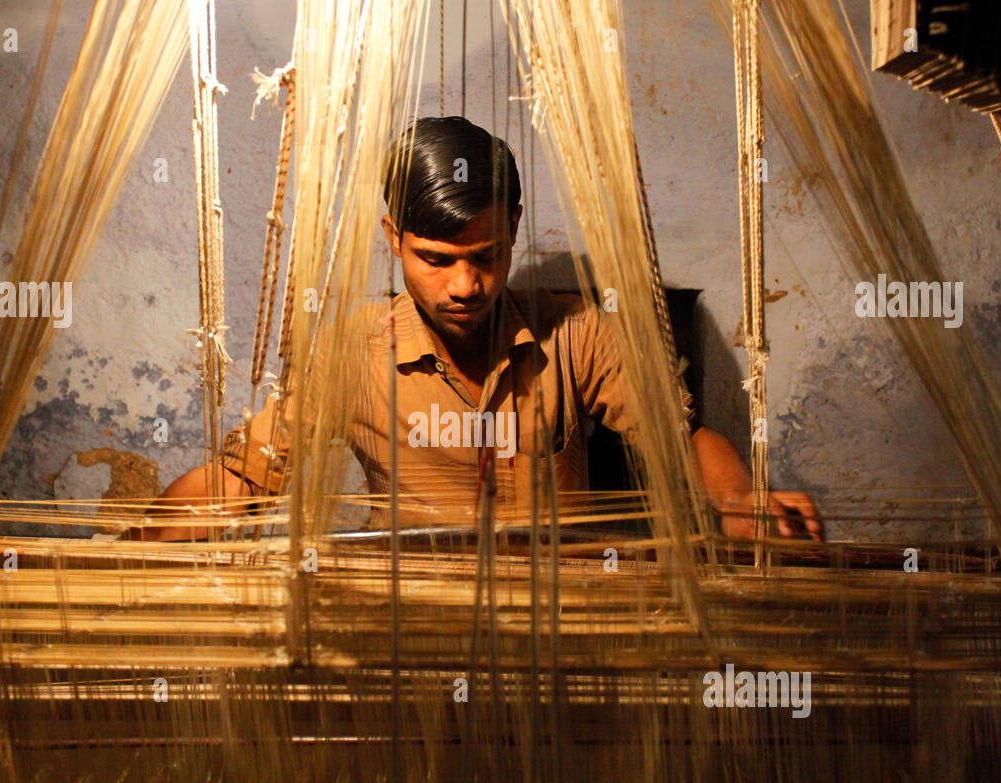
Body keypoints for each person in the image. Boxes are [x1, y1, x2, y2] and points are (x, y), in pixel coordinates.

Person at [142, 116, 822, 542]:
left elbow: (680, 439)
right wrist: (146, 542)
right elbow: (248, 474)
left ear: (515, 231)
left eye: (486, 256)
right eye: (436, 260)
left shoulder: (579, 332)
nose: (465, 286)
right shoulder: (351, 353)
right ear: (393, 238)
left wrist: (739, 500)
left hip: (562, 618)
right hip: (409, 625)